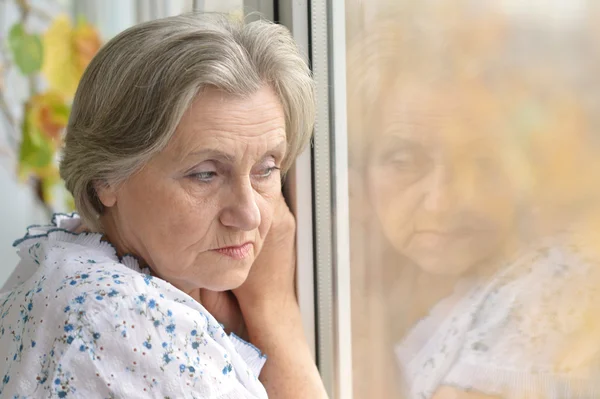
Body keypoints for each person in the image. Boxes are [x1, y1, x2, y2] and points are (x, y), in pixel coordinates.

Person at [0, 13, 327, 399]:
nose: (250, 214)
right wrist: (274, 309)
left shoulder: (63, 263)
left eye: (266, 170)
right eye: (205, 174)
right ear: (107, 177)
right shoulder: (126, 320)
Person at [347, 4, 600, 398]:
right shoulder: (383, 276)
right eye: (404, 160)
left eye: (484, 161)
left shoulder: (548, 295)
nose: (443, 201)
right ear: (356, 172)